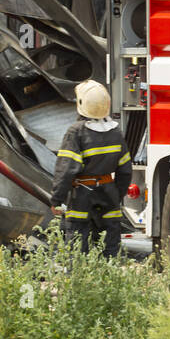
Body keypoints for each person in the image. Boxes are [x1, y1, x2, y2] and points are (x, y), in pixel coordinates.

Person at [50, 79, 132, 257]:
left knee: (77, 241)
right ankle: (109, 275)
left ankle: (79, 280)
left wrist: (57, 199)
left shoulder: (76, 132)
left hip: (82, 194)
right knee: (110, 242)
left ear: (81, 103)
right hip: (108, 192)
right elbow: (125, 170)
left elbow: (66, 169)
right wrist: (116, 194)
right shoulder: (116, 132)